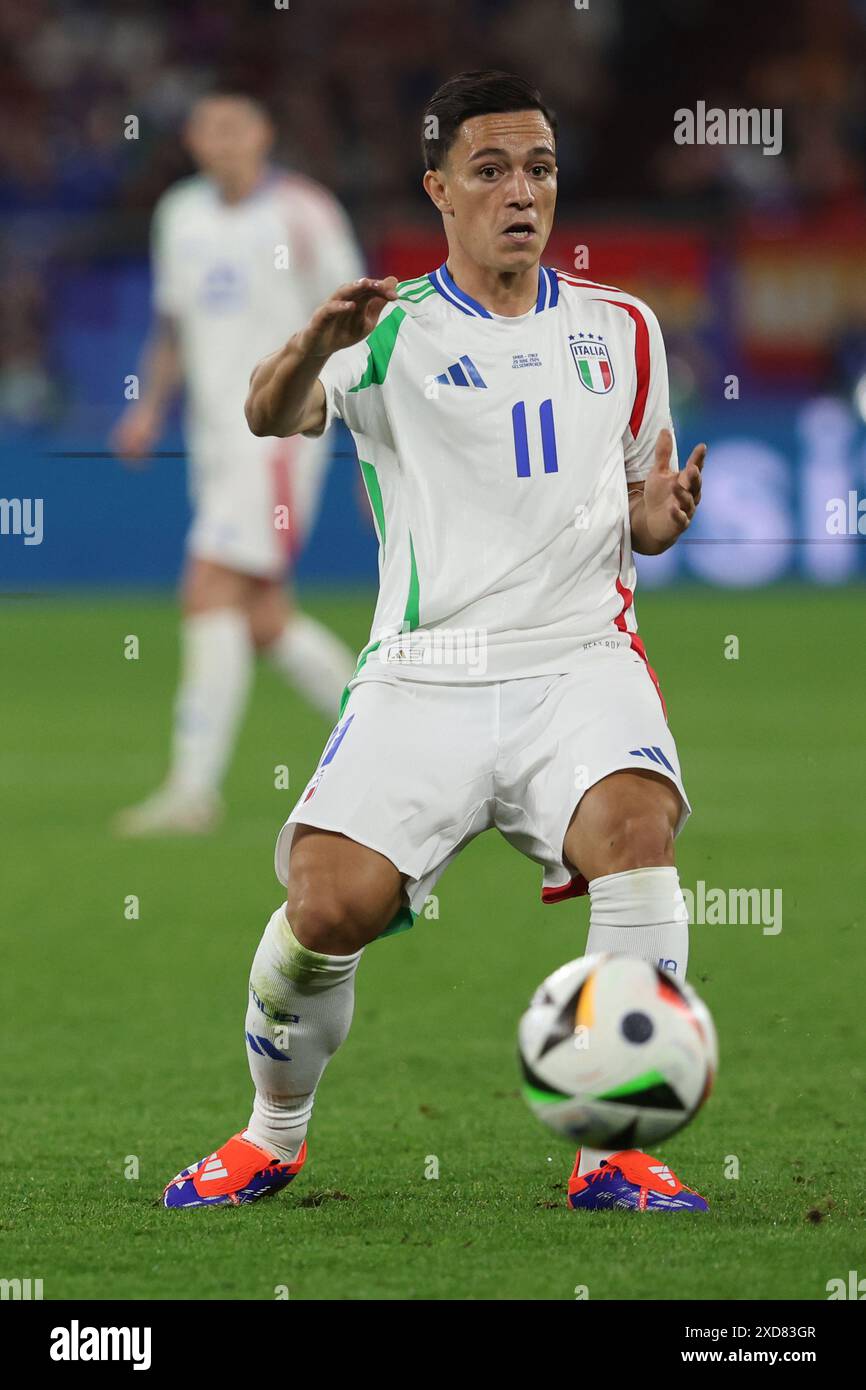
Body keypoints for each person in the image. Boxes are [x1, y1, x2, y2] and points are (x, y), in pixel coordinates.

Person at [163, 71, 708, 1213]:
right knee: (326, 905)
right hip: (426, 672)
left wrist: (657, 517)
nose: (522, 192)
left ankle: (612, 1146)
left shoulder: (623, 329)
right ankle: (271, 1133)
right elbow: (267, 413)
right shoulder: (389, 328)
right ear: (440, 191)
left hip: (578, 660)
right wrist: (314, 338)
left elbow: (637, 502)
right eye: (492, 171)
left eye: (540, 170)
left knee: (635, 829)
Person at [111, 91, 362, 835]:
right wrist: (148, 406)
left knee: (208, 586)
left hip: (281, 437)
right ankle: (411, 739)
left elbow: (362, 324)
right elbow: (173, 325)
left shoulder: (306, 215)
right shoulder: (179, 215)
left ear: (264, 133)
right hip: (213, 440)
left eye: (237, 127)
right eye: (209, 128)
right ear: (191, 140)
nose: (223, 141)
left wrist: (373, 440)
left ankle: (193, 789)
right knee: (261, 618)